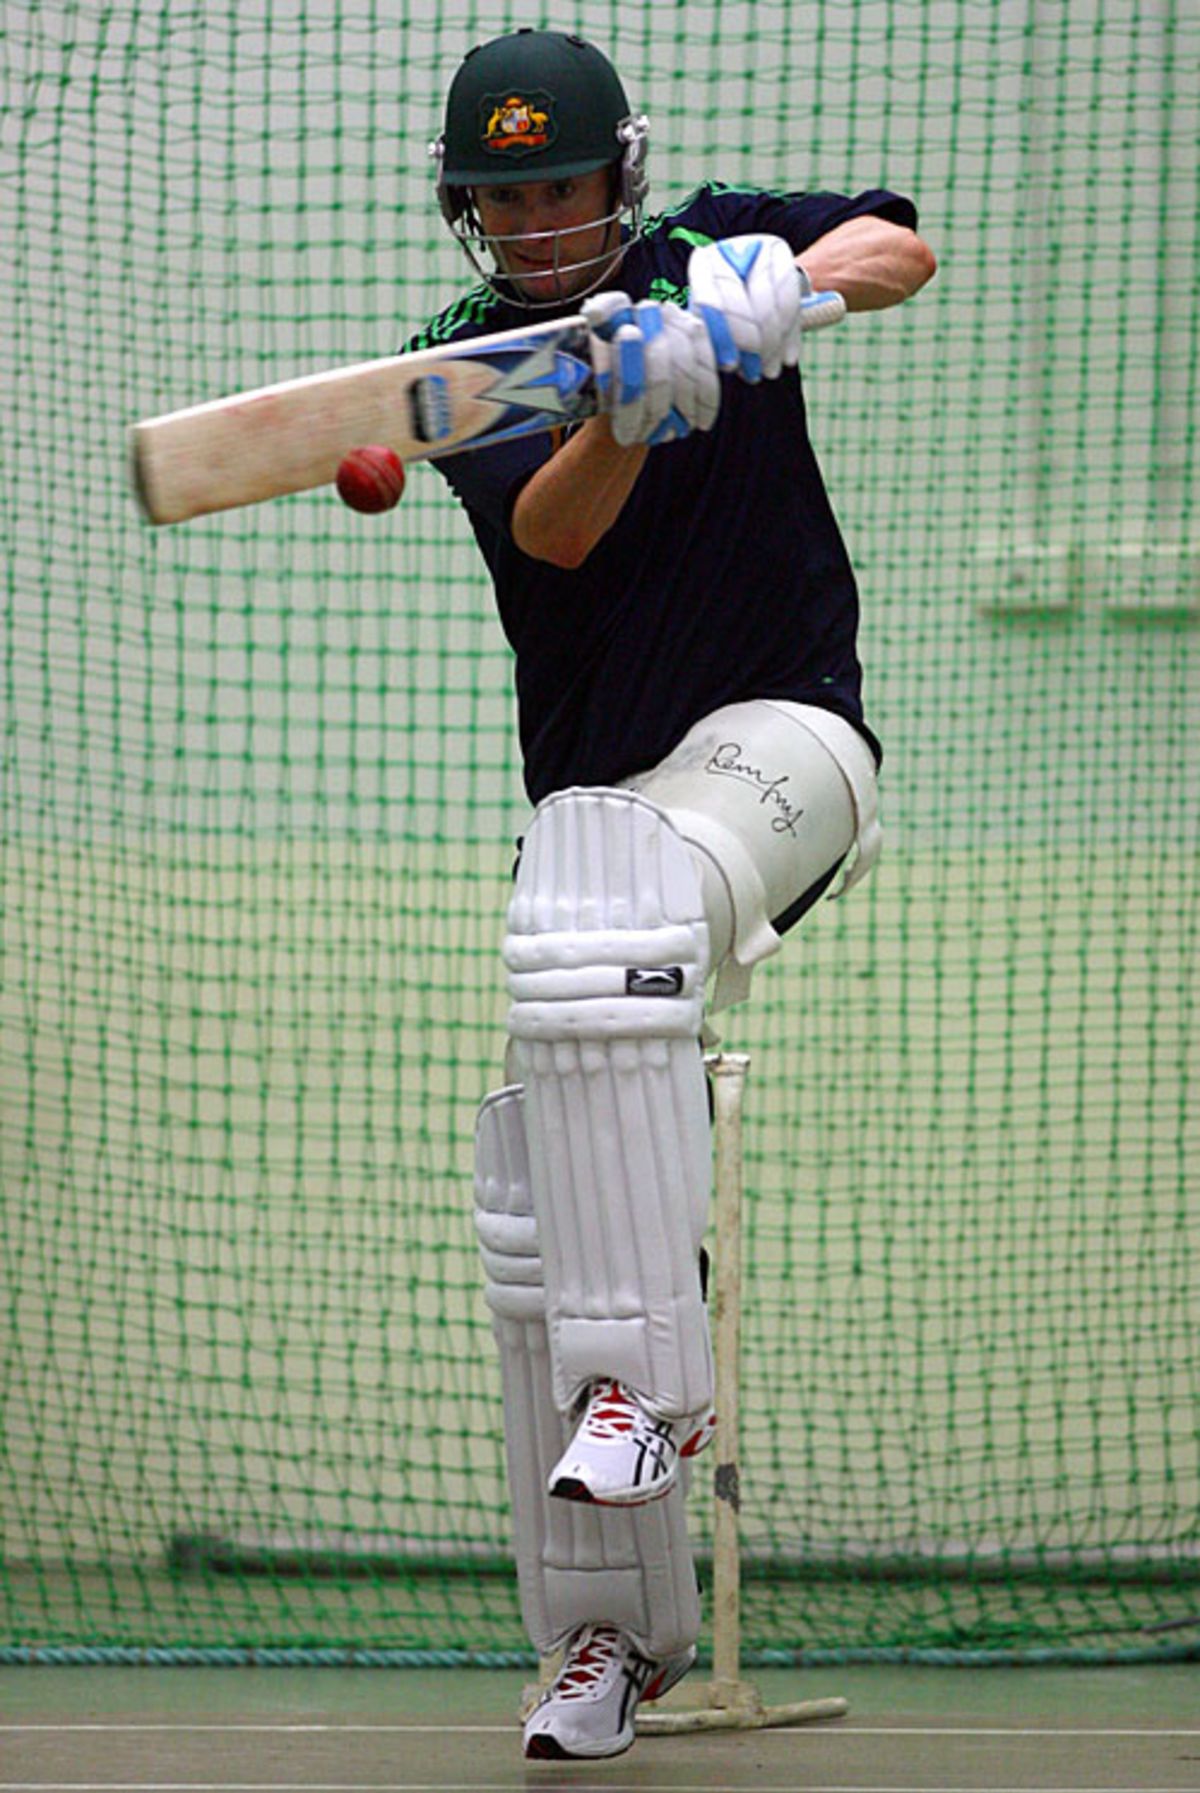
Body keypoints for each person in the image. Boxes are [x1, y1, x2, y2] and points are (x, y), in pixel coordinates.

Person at [401, 26, 935, 1760]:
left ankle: (653, 1389)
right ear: (468, 217)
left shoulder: (709, 233)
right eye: (503, 199)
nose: (537, 222)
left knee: (605, 897)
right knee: (533, 1187)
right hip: (603, 811)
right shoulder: (472, 363)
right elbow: (557, 535)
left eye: (559, 186)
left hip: (790, 746)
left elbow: (900, 244)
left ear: (617, 175)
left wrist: (759, 298)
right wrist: (628, 407)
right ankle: (605, 1640)